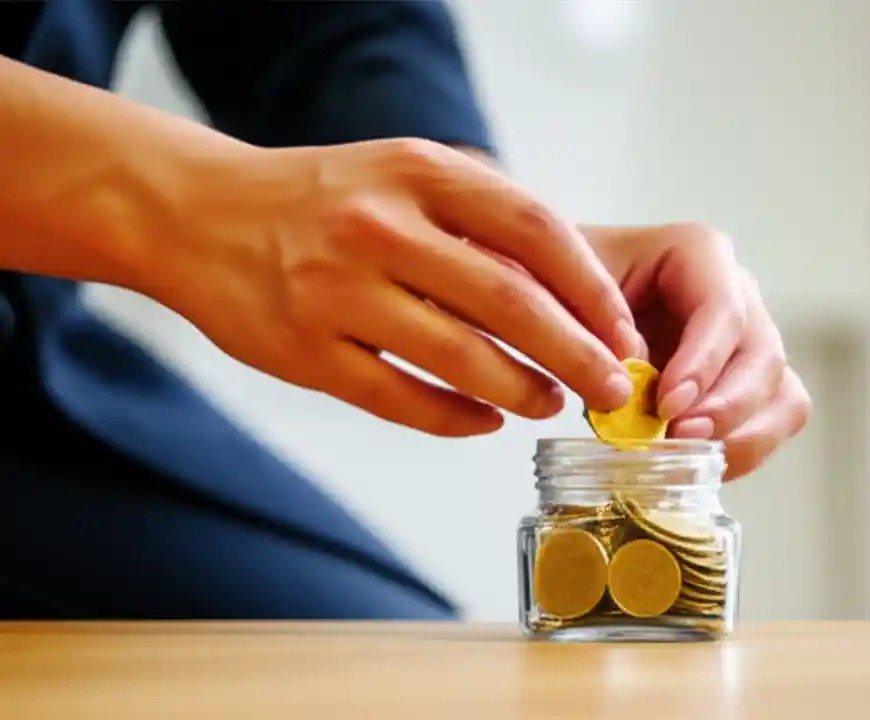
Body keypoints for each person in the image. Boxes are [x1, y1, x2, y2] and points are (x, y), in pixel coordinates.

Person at [0, 1, 811, 619]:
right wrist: (170, 198)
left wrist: (479, 228)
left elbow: (324, 22)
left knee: (399, 673)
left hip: (34, 391)